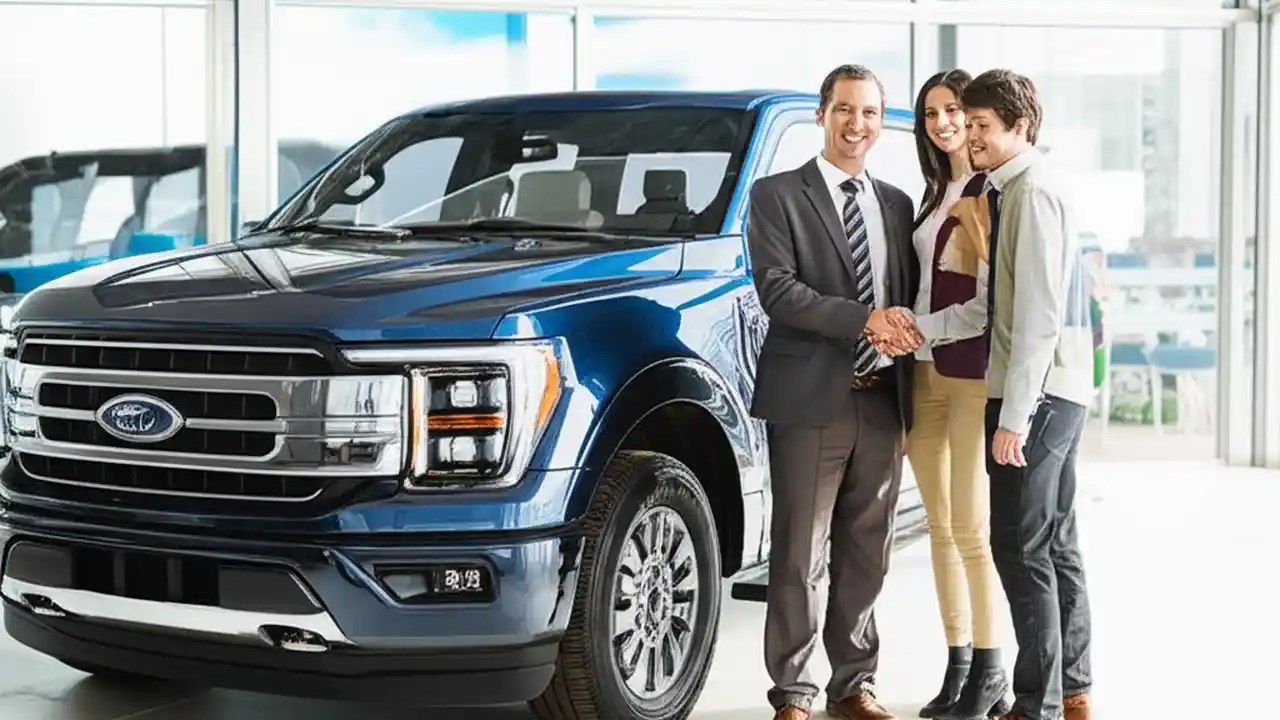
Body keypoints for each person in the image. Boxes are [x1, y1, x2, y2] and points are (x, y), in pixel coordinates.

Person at [746, 63, 920, 720]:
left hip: (882, 400)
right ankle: (792, 693)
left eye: (870, 113)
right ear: (822, 114)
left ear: (881, 121)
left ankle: (854, 684)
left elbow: (906, 301)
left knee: (866, 551)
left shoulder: (897, 205)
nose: (857, 124)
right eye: (845, 110)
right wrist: (865, 319)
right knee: (797, 554)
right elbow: (779, 291)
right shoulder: (776, 195)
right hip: (810, 400)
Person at [959, 69, 1095, 720]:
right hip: (1059, 389)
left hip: (1035, 395)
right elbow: (995, 305)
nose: (969, 135)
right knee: (1057, 542)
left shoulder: (1032, 192)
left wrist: (1013, 418)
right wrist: (914, 330)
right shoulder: (1015, 190)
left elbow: (1036, 317)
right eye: (969, 122)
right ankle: (1073, 691)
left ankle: (1033, 704)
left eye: (982, 125)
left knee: (1019, 546)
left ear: (1020, 126)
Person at [877, 68, 1013, 720]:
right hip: (922, 376)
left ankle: (992, 670)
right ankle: (959, 664)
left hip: (968, 376)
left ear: (974, 113)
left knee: (970, 529)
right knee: (937, 527)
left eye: (954, 109)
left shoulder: (991, 192)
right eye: (931, 112)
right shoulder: (932, 196)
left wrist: (915, 328)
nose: (942, 122)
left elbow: (986, 305)